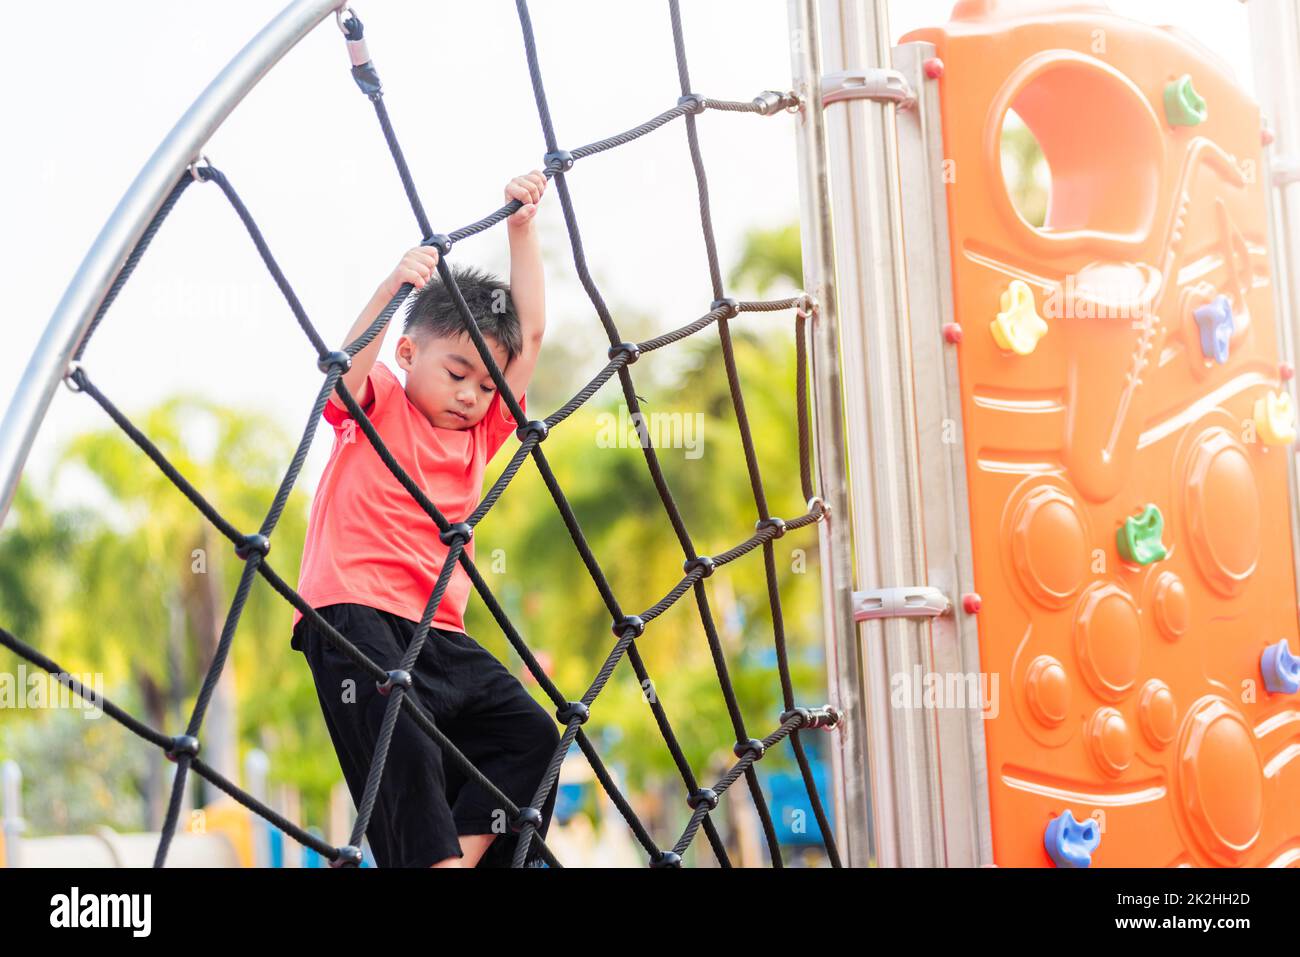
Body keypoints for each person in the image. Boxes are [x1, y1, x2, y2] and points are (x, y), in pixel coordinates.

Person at [290, 171, 560, 867]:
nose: (472, 394)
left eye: (483, 382)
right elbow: (341, 374)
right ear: (409, 353)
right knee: (401, 741)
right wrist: (390, 295)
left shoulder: (482, 432)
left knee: (532, 735)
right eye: (457, 372)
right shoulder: (380, 401)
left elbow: (528, 333)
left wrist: (521, 231)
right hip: (353, 612)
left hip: (437, 630)